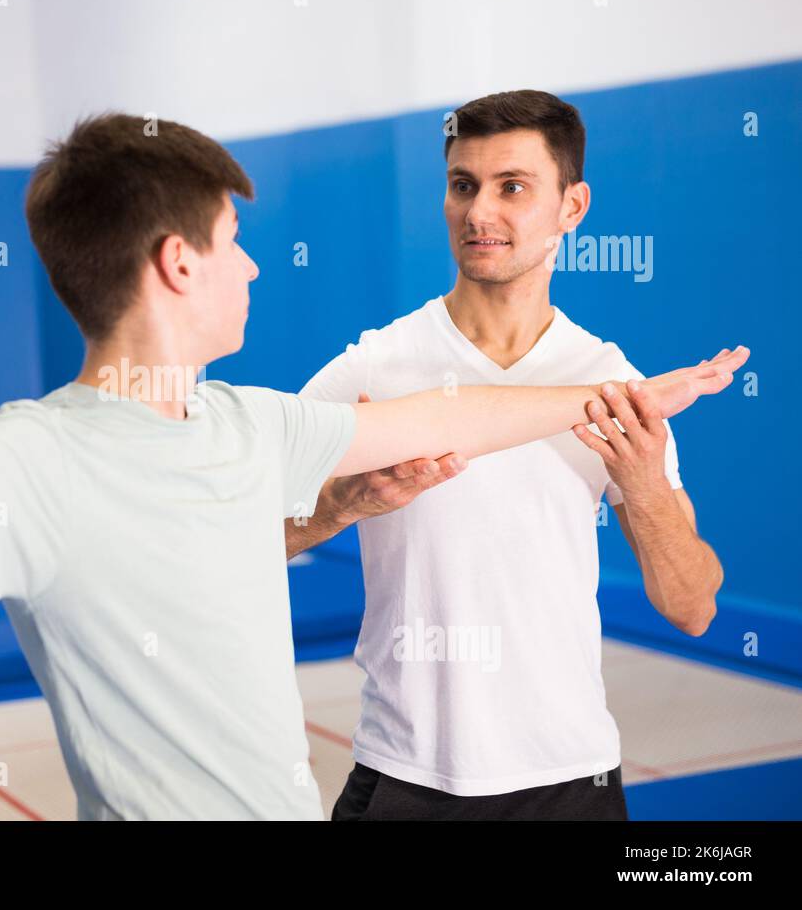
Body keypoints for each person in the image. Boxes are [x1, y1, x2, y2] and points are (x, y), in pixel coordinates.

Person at [0, 113, 748, 820]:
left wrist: (626, 397)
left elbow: (457, 416)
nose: (255, 269)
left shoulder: (248, 424)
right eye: (234, 246)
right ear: (174, 265)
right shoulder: (40, 454)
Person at [290, 89, 729, 820]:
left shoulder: (612, 382)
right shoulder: (373, 369)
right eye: (463, 186)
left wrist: (645, 483)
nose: (479, 212)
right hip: (405, 775)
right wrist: (345, 505)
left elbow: (692, 607)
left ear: (572, 207)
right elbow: (247, 533)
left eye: (512, 187)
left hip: (571, 781)